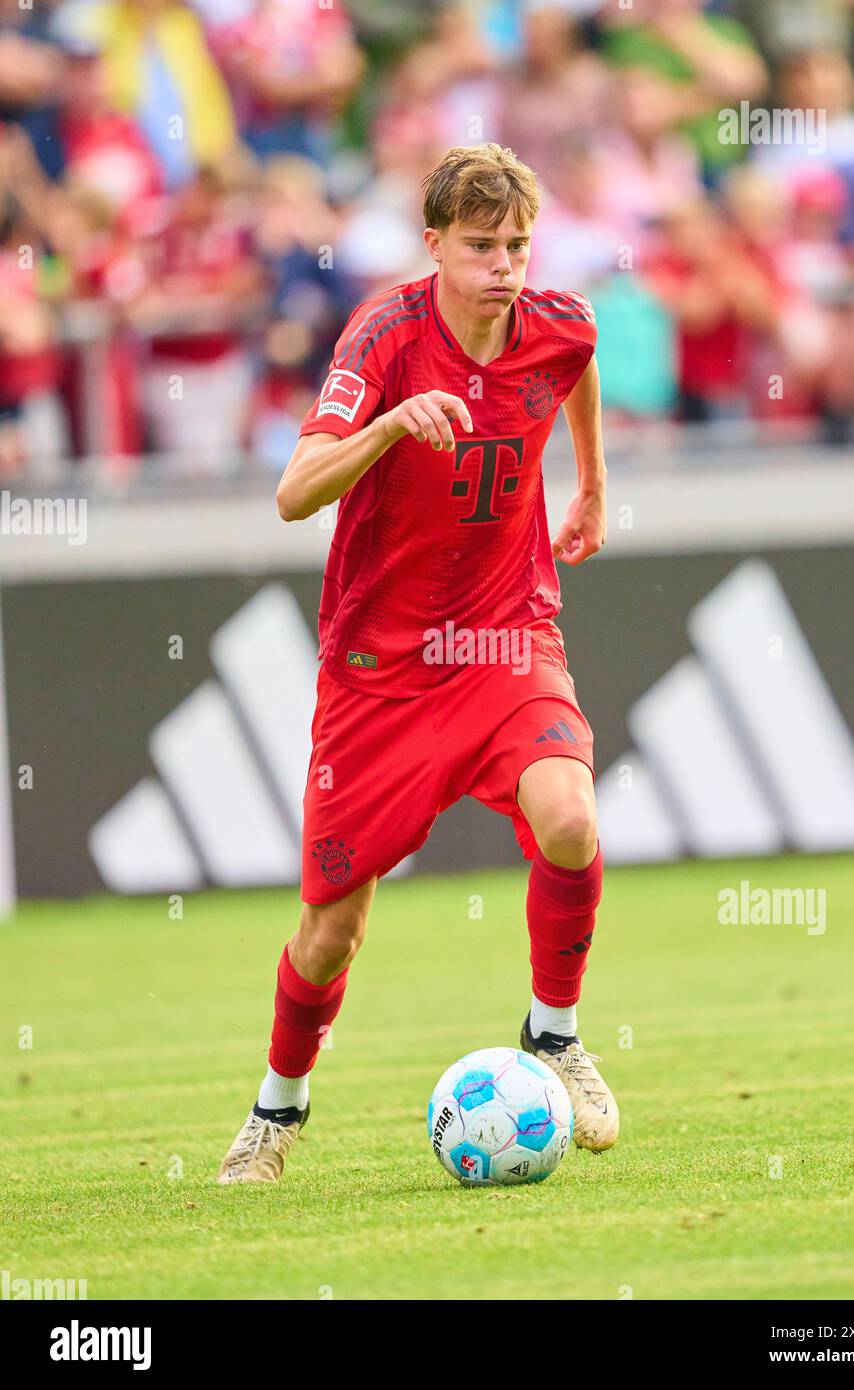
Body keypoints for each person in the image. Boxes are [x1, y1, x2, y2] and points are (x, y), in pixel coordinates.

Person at [218, 142, 619, 1183]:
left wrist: (590, 489)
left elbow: (577, 366)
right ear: (432, 243)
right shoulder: (384, 338)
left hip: (505, 639)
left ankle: (555, 1034)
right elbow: (295, 490)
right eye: (480, 246)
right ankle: (278, 1107)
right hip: (381, 668)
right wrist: (394, 422)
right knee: (330, 930)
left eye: (518, 245)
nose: (504, 266)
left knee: (571, 819)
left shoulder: (557, 323)